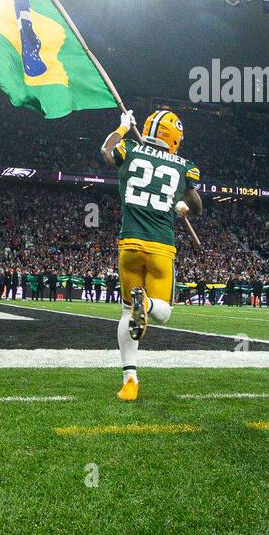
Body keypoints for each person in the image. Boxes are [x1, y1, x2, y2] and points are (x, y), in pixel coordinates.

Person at [100, 108, 202, 401]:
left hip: (129, 244)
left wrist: (121, 128)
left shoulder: (130, 149)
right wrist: (180, 207)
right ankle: (145, 302)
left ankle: (129, 380)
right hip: (160, 247)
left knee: (124, 312)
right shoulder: (185, 166)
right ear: (174, 139)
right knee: (165, 313)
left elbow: (106, 152)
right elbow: (197, 208)